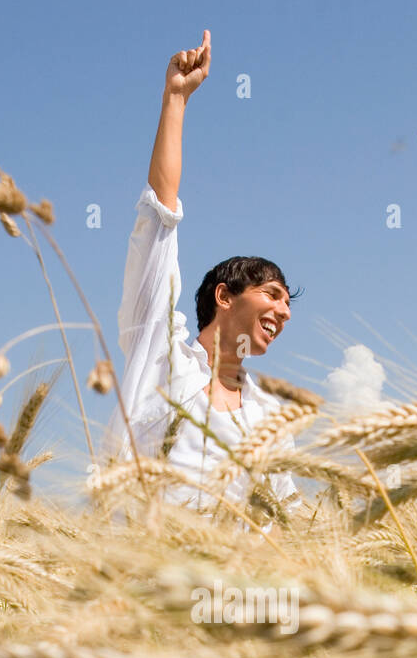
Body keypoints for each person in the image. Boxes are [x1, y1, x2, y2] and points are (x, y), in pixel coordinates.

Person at [109, 29, 301, 511]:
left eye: (287, 303)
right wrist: (176, 99)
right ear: (224, 297)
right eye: (273, 293)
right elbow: (159, 220)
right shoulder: (158, 352)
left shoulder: (269, 419)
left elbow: (291, 523)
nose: (285, 311)